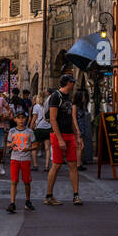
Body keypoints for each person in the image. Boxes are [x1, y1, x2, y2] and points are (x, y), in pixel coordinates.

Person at [45, 74, 84, 206]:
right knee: (56, 165)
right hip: (58, 135)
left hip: (69, 135)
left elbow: (70, 118)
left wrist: (76, 135)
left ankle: (76, 195)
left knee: (73, 164)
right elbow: (53, 119)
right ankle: (49, 195)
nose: (73, 84)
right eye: (72, 82)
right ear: (68, 83)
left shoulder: (68, 98)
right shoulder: (56, 96)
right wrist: (60, 139)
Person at [4, 108, 37, 213]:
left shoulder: (29, 132)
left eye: (23, 118)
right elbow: (8, 144)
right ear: (15, 119)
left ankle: (28, 201)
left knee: (26, 181)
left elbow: (35, 145)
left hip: (25, 159)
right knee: (14, 181)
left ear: (26, 119)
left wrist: (29, 149)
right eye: (19, 118)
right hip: (14, 158)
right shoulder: (12, 131)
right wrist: (11, 144)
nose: (21, 120)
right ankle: (12, 203)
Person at [31, 92, 52, 172]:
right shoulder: (49, 106)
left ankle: (35, 165)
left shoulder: (36, 106)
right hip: (48, 128)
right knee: (47, 148)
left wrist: (31, 127)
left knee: (34, 147)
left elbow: (34, 118)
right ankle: (46, 166)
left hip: (39, 128)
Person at [74, 85, 93, 170]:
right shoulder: (74, 106)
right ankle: (78, 164)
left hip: (83, 127)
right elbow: (74, 118)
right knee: (79, 146)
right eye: (83, 96)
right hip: (78, 128)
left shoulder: (82, 106)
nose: (84, 98)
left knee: (81, 146)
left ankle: (79, 163)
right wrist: (77, 130)